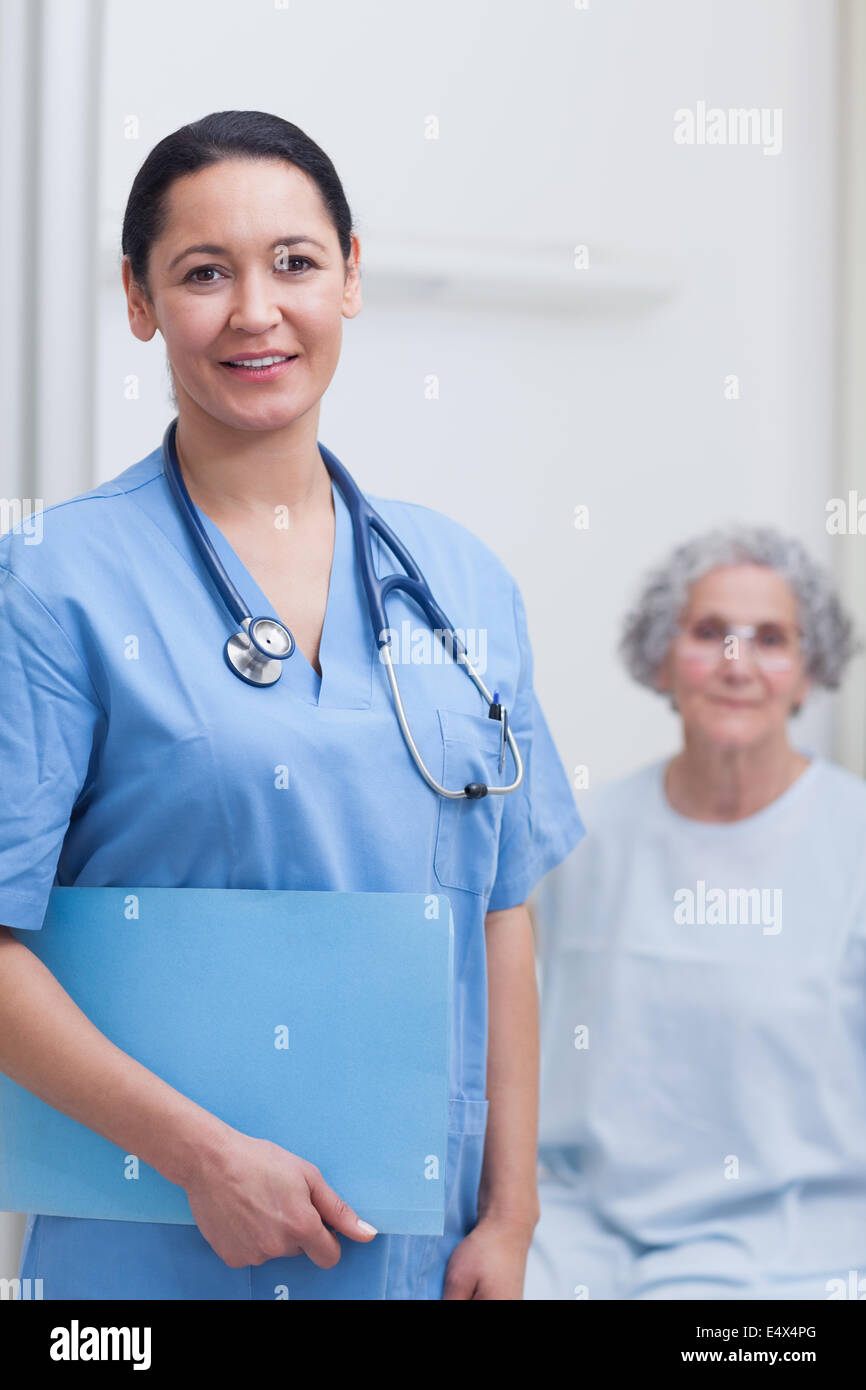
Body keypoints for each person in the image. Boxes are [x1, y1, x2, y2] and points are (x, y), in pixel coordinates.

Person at [0, 109, 584, 1300]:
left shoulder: (458, 580)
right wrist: (198, 1156)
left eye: (295, 263)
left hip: (421, 1249)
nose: (256, 311)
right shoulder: (53, 582)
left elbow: (503, 914)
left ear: (351, 276)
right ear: (138, 299)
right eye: (203, 273)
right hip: (158, 1243)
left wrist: (510, 1216)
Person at [524, 526, 866, 1300]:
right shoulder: (581, 838)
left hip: (799, 1251)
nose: (737, 664)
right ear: (659, 660)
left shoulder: (854, 842)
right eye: (709, 634)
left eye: (770, 639)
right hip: (583, 1233)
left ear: (810, 671)